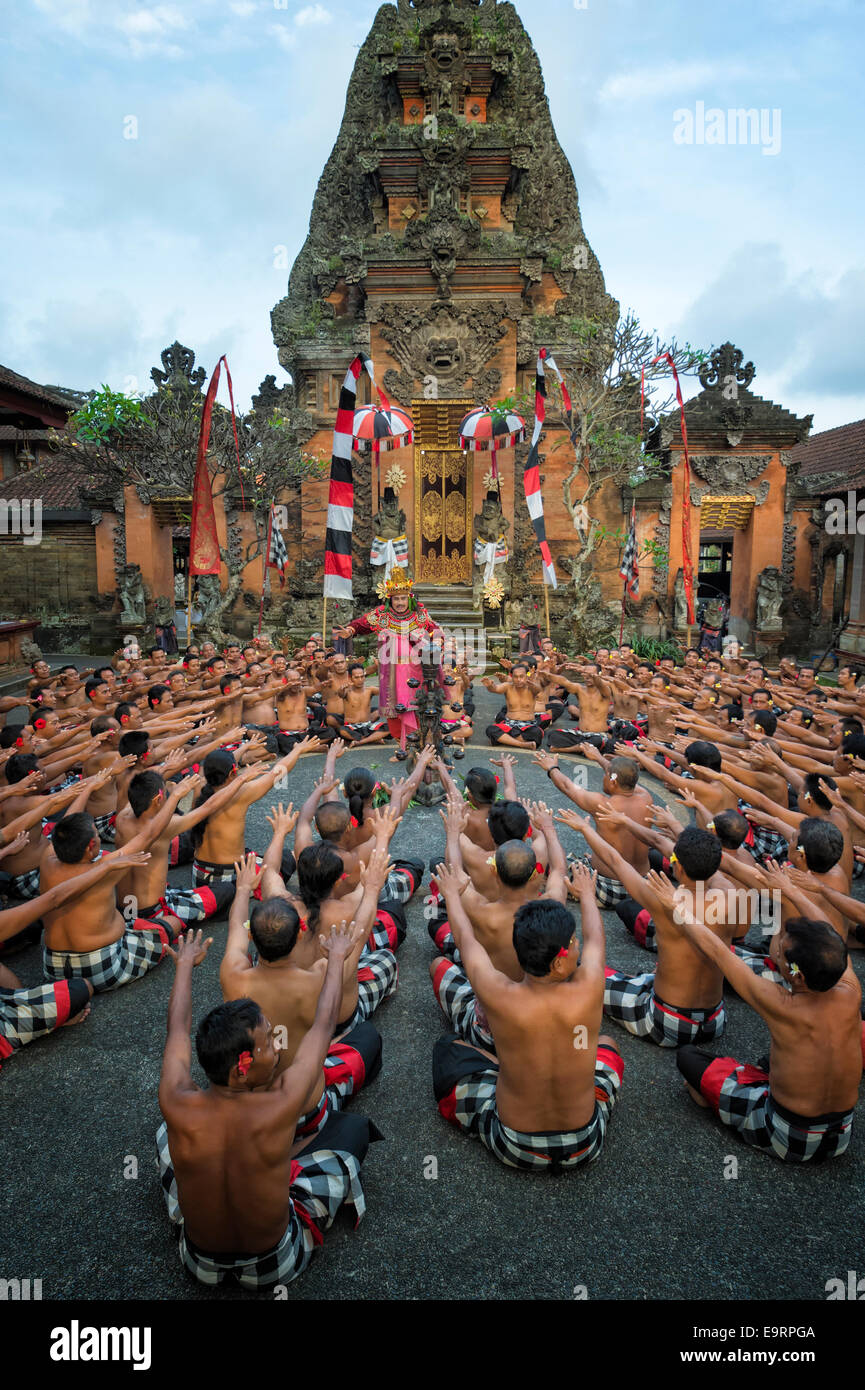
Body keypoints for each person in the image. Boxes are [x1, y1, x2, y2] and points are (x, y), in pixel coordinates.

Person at [156, 927, 379, 1289]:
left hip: (199, 1264)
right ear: (242, 1067)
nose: (277, 1044)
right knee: (353, 1130)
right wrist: (336, 959)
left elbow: (177, 1029)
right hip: (274, 1264)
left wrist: (183, 966)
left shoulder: (176, 1099)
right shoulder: (282, 1103)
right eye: (268, 1041)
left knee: (168, 1132)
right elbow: (324, 1025)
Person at [647, 873, 862, 1162]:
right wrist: (793, 892)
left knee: (689, 1058)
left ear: (795, 975)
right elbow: (830, 935)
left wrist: (677, 906)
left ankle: (716, 1102)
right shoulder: (850, 989)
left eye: (782, 951)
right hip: (841, 1135)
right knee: (775, 1057)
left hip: (788, 1136)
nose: (777, 945)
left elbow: (718, 952)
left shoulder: (782, 1005)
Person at [431, 862, 624, 1170]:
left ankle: (495, 1067)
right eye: (573, 943)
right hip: (586, 1143)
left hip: (515, 1144)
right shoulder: (590, 986)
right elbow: (597, 937)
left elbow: (466, 941)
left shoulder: (496, 992)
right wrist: (587, 894)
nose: (579, 946)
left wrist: (452, 896)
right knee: (607, 1044)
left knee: (447, 1048)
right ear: (558, 964)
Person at [332, 570, 444, 759]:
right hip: (392, 675)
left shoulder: (420, 616)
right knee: (396, 714)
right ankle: (406, 749)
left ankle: (420, 750)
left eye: (403, 598)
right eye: (396, 599)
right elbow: (362, 624)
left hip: (416, 674)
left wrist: (435, 642)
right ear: (390, 600)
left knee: (418, 711)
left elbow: (435, 631)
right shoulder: (382, 616)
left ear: (409, 598)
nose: (399, 603)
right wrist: (351, 629)